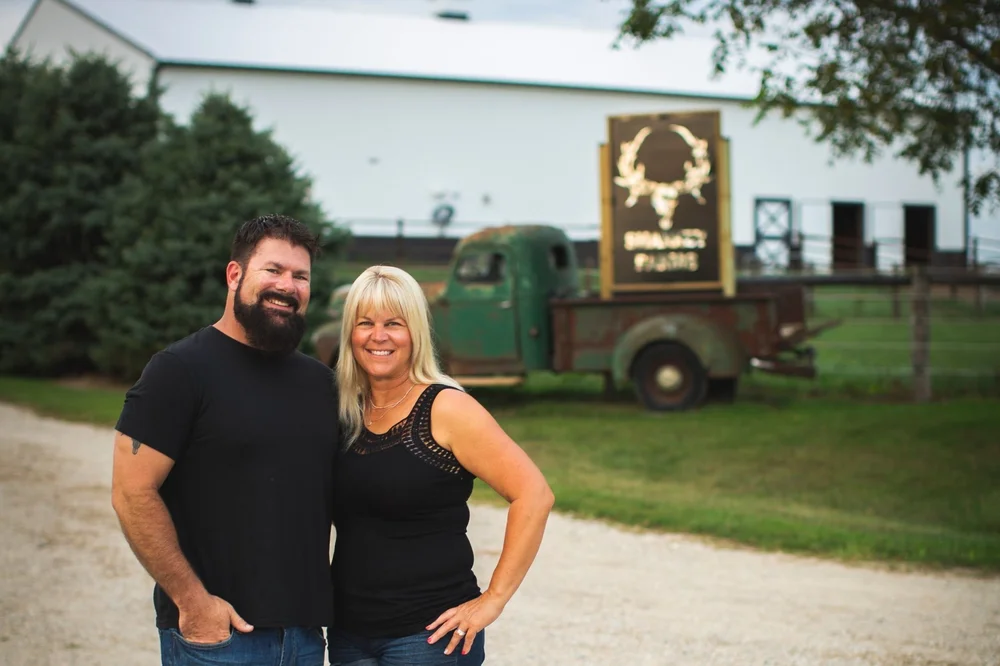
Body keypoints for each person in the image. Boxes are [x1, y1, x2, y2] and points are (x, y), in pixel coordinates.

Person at [111, 214, 339, 666]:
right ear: (235, 275)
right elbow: (132, 493)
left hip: (306, 638)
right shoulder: (178, 371)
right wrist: (193, 604)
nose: (287, 286)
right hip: (219, 639)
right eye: (272, 270)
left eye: (300, 276)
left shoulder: (321, 383)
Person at [327, 265, 555, 665]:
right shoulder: (345, 411)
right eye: (365, 323)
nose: (378, 336)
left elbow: (533, 495)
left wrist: (492, 600)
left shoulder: (446, 407)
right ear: (350, 333)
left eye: (393, 324)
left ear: (415, 331)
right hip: (350, 636)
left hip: (429, 639)